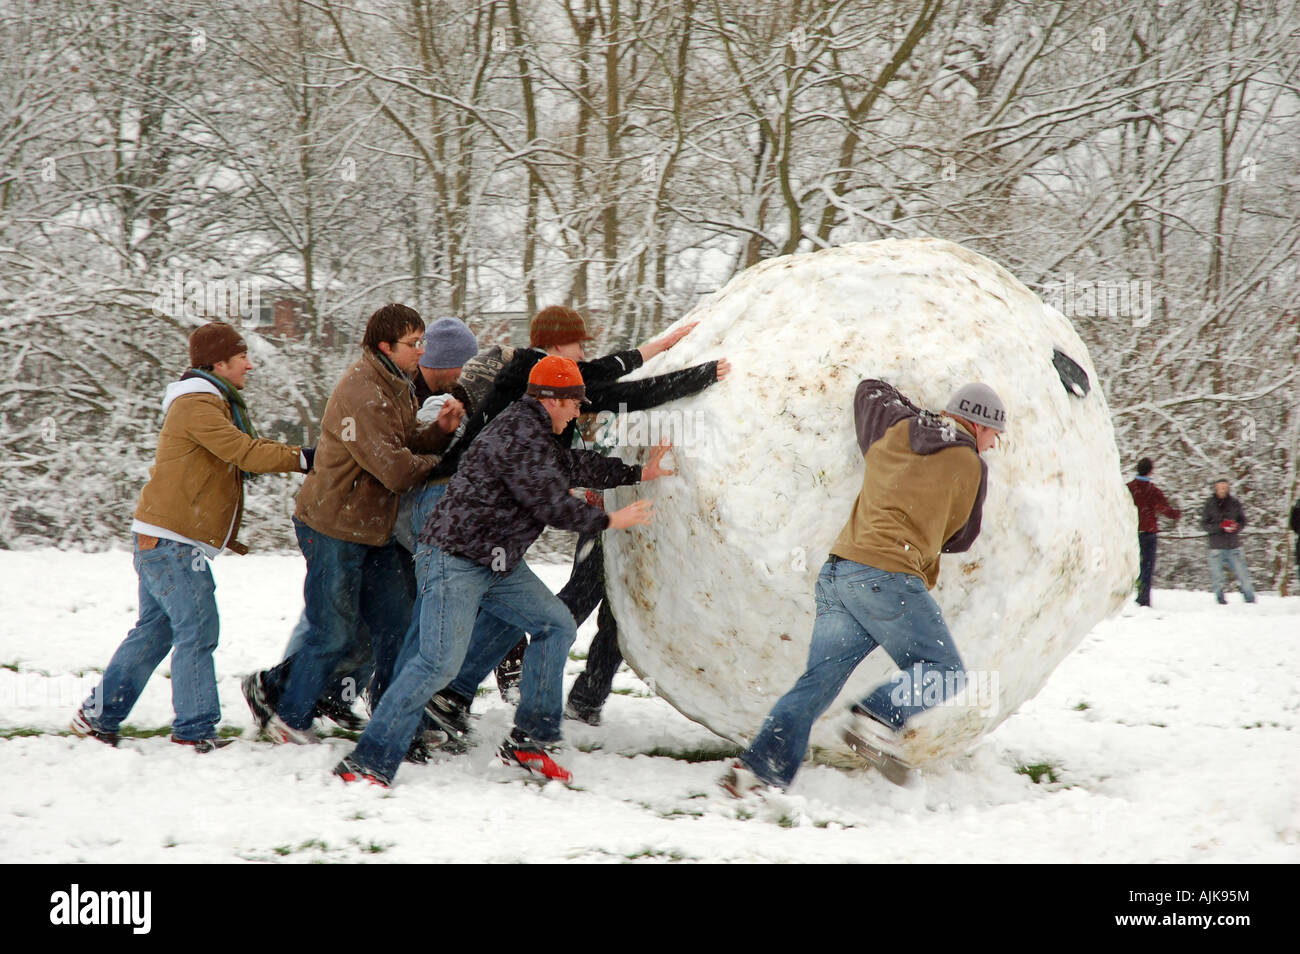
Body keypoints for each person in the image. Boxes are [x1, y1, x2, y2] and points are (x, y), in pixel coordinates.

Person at [332, 356, 671, 787]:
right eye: (573, 403)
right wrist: (610, 521)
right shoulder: (518, 434)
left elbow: (573, 468)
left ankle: (531, 739)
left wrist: (640, 472)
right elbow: (549, 501)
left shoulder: (542, 434)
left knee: (555, 624)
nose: (578, 411)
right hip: (454, 558)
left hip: (497, 563)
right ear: (550, 399)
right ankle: (368, 761)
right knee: (437, 665)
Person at [719, 379, 1005, 796]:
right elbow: (962, 538)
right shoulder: (973, 466)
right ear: (979, 426)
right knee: (945, 671)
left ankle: (756, 773)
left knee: (816, 685)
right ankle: (876, 719)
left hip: (840, 572)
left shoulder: (898, 427)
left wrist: (916, 414)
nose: (994, 445)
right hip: (888, 576)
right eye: (995, 435)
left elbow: (869, 390)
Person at [72, 322, 310, 752]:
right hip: (170, 542)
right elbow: (244, 451)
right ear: (219, 363)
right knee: (198, 631)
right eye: (242, 359)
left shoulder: (207, 401)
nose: (249, 366)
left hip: (160, 538)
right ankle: (195, 729)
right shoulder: (199, 404)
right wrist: (305, 458)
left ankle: (98, 717)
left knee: (155, 633)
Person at [241, 304, 464, 743]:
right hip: (333, 526)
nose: (422, 351)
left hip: (372, 528)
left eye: (423, 342)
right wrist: (444, 458)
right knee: (334, 630)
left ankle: (392, 718)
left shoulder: (395, 383)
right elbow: (395, 469)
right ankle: (289, 715)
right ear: (385, 346)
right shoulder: (363, 392)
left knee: (395, 624)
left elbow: (402, 443)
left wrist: (439, 429)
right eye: (413, 344)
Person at [1126, 457, 1182, 607]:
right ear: (1151, 471)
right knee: (1147, 566)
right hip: (1148, 532)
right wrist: (1176, 513)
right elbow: (1164, 509)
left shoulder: (1129, 488)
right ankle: (1143, 597)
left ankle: (1128, 591)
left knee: (1132, 564)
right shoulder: (1153, 491)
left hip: (1131, 532)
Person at [1200, 479, 1255, 604]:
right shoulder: (1209, 504)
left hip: (1233, 545)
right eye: (1220, 487)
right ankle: (1220, 600)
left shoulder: (1235, 503)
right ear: (1215, 488)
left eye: (1225, 487)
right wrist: (1221, 526)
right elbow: (1204, 525)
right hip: (1216, 546)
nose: (1223, 490)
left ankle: (1250, 599)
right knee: (1217, 577)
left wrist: (1236, 527)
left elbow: (1243, 521)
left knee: (1243, 575)